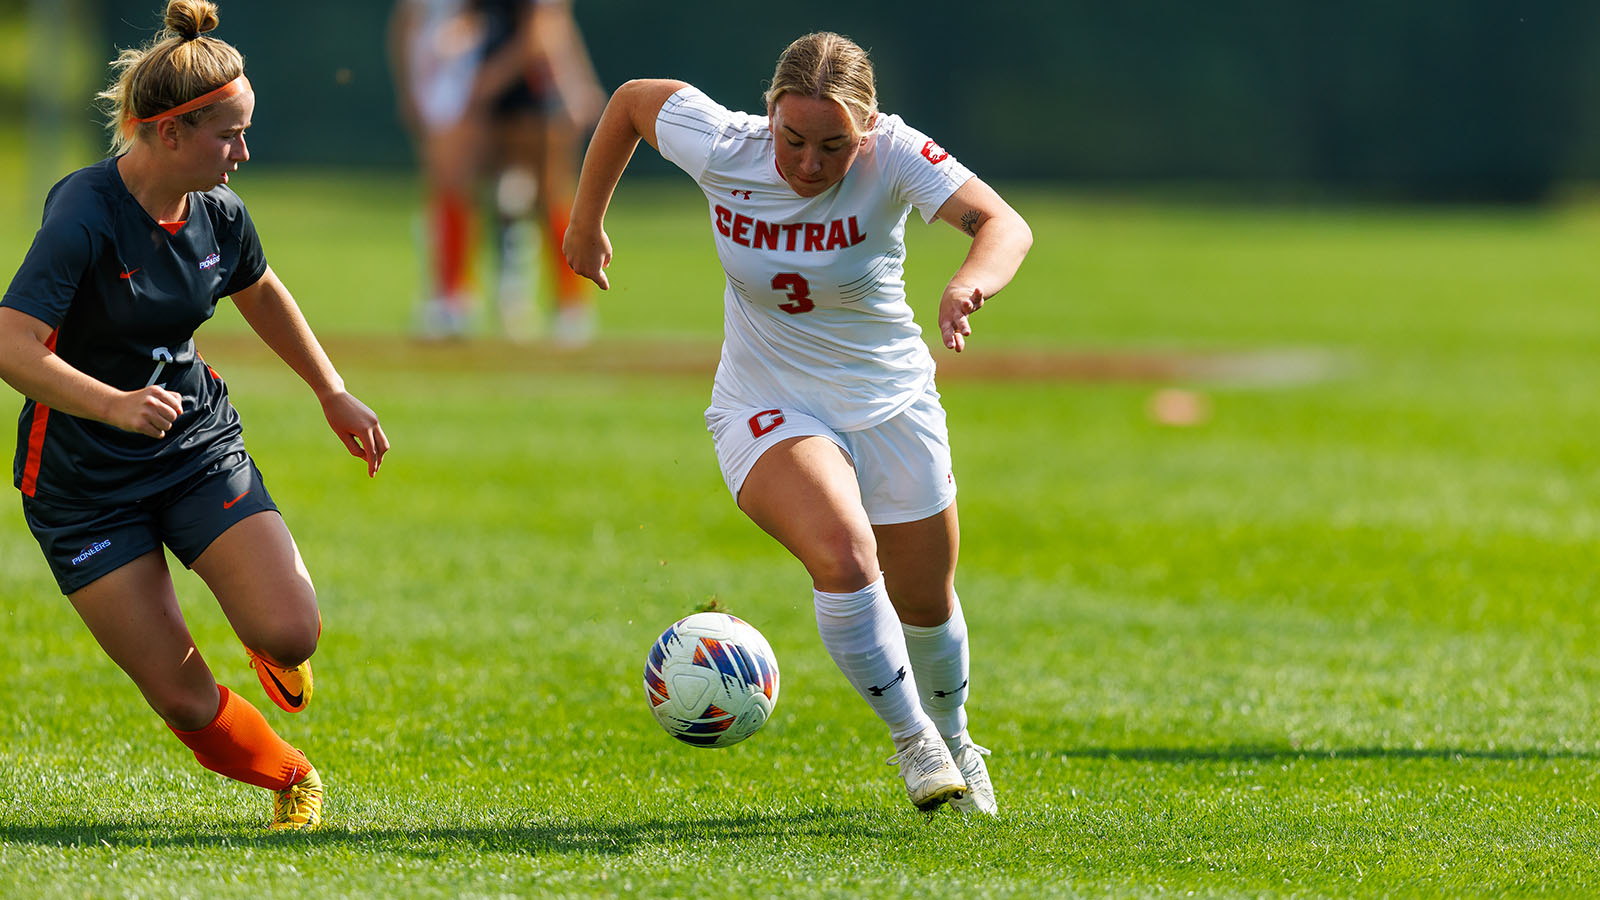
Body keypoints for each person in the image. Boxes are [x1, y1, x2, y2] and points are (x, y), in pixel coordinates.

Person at [563, 32, 1032, 815]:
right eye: (793, 138)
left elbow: (1004, 225)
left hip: (890, 400)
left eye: (833, 146)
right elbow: (631, 102)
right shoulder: (724, 145)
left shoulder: (896, 153)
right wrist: (585, 221)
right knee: (846, 555)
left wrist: (970, 283)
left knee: (926, 599)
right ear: (770, 111)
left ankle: (955, 737)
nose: (809, 163)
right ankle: (914, 741)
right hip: (767, 402)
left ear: (868, 129)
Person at [0, 0, 389, 831]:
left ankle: (261, 635)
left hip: (191, 446)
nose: (244, 153)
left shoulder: (218, 212)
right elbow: (11, 344)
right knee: (178, 694)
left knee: (291, 634)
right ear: (167, 133)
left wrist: (331, 391)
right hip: (82, 484)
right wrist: (115, 405)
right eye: (229, 135)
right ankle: (291, 778)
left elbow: (259, 288)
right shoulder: (85, 214)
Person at [389, 0, 604, 343]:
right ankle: (453, 300)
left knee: (549, 196)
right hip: (482, 76)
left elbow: (544, 28)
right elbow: (461, 20)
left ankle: (570, 307)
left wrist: (489, 83)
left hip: (530, 83)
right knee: (454, 180)